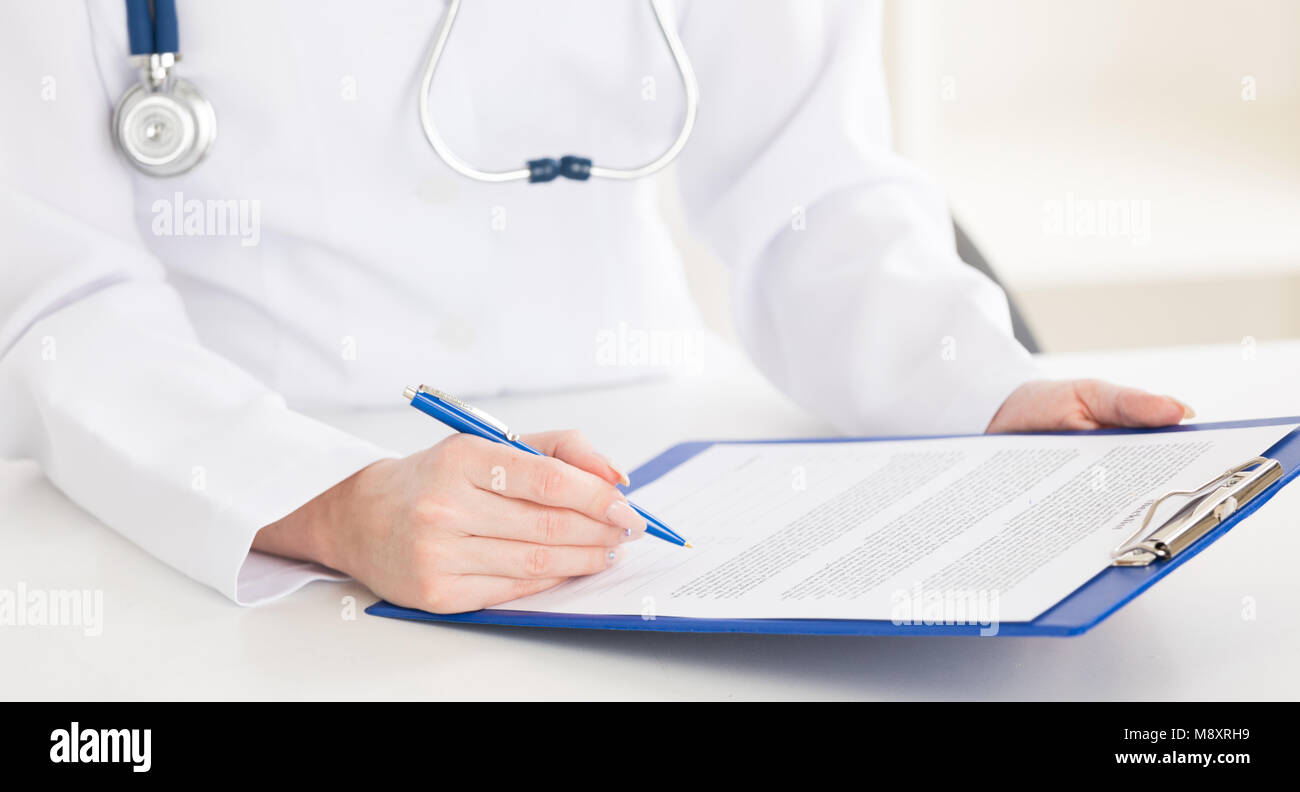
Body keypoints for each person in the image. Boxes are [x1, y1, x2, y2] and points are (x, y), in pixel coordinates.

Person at [0, 0, 1189, 614]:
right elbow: (62, 296)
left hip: (650, 477)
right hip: (228, 490)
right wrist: (321, 501)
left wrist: (979, 384)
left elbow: (811, 186)